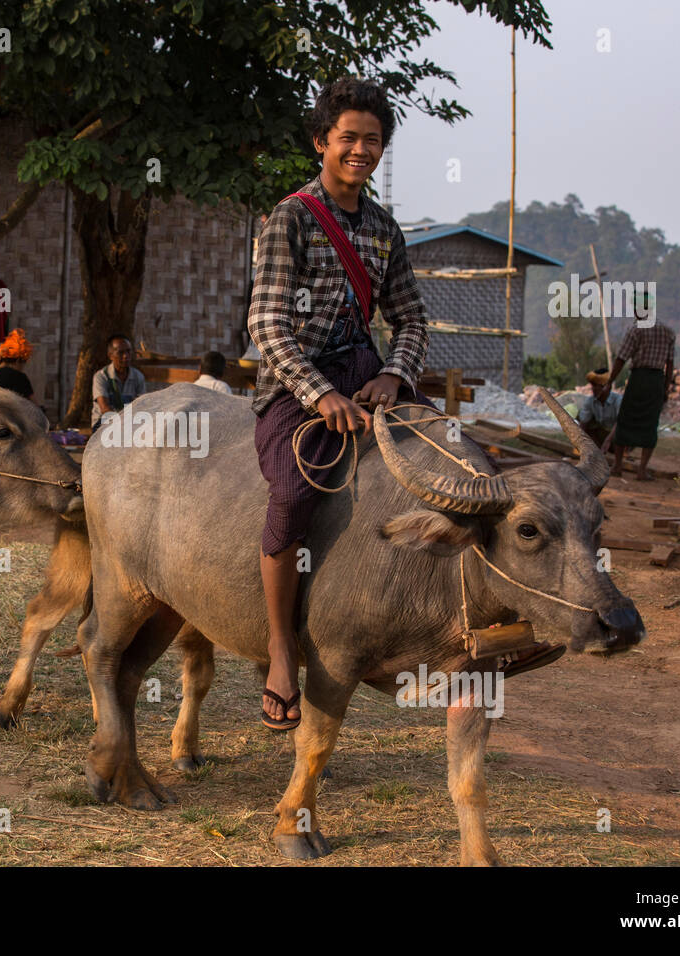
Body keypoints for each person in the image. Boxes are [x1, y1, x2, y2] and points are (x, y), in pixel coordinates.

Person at [248, 77, 430, 730]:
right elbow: (267, 326)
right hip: (297, 385)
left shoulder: (384, 228)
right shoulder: (290, 218)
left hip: (367, 376)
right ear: (322, 142)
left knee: (440, 457)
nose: (360, 149)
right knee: (295, 495)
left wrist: (395, 377)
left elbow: (411, 318)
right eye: (347, 137)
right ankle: (278, 648)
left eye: (372, 140)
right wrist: (320, 395)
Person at [604, 290, 674, 480]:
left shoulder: (635, 329)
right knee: (650, 424)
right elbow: (670, 364)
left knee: (626, 419)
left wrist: (610, 381)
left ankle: (617, 466)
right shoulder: (667, 330)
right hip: (656, 381)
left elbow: (621, 358)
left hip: (639, 379)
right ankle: (642, 469)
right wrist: (666, 387)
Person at [91, 333, 145, 430]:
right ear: (110, 355)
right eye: (121, 353)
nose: (126, 356)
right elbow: (104, 409)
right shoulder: (101, 377)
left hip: (129, 423)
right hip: (104, 424)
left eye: (128, 351)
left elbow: (142, 406)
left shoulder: (138, 377)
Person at [0, 328, 35, 400]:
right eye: (24, 362)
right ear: (18, 361)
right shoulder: (19, 377)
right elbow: (34, 406)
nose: (23, 367)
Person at [578, 368, 623, 450]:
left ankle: (623, 451)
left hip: (617, 437)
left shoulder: (618, 400)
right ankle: (598, 449)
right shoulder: (590, 401)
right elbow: (583, 423)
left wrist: (608, 440)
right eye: (592, 386)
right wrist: (578, 441)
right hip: (603, 435)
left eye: (596, 386)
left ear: (606, 387)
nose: (593, 389)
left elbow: (621, 422)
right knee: (581, 417)